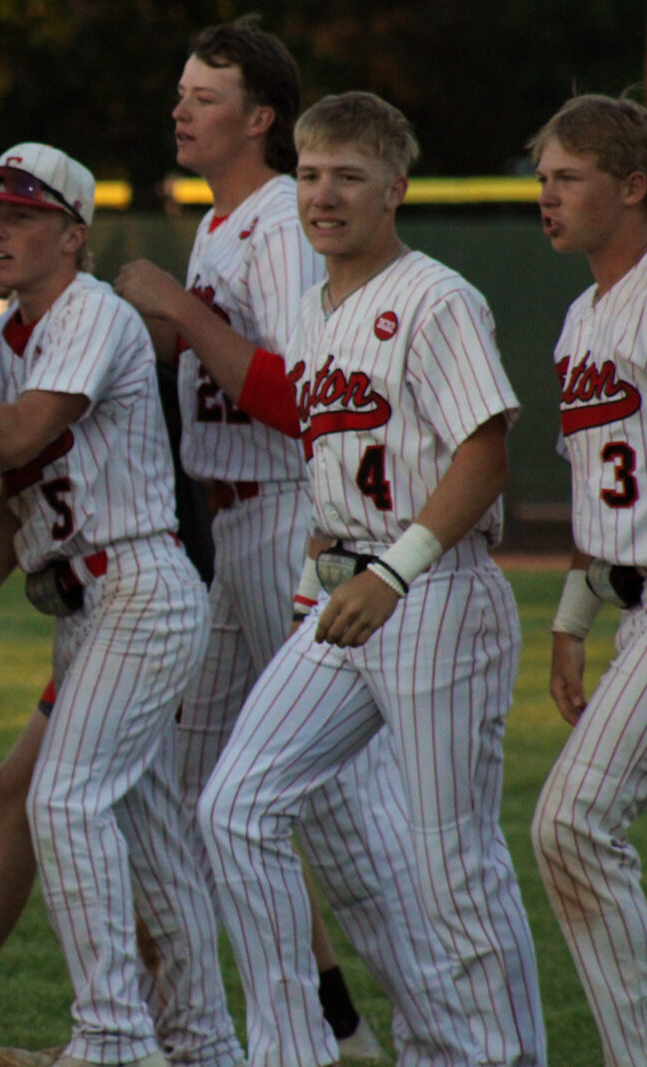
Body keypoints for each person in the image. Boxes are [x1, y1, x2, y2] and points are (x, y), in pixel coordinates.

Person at [114, 19, 466, 1063]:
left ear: (258, 118)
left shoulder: (274, 217)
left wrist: (178, 311)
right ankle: (201, 1034)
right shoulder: (222, 220)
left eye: (205, 95)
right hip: (230, 531)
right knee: (176, 791)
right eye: (180, 91)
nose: (181, 108)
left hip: (285, 515)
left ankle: (433, 1030)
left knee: (340, 816)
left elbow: (298, 399)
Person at [0, 141, 241, 1067]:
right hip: (90, 605)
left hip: (139, 588)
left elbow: (22, 429)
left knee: (62, 804)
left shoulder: (91, 313)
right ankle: (201, 1043)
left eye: (19, 217)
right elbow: (20, 475)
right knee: (146, 833)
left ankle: (113, 1037)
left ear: (74, 235)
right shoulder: (2, 342)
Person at [197, 92, 544, 1067]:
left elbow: (482, 458)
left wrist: (392, 571)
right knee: (237, 805)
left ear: (394, 188)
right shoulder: (311, 310)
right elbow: (331, 470)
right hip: (345, 590)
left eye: (347, 175)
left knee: (452, 860)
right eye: (308, 174)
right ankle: (290, 1050)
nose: (323, 193)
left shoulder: (436, 296)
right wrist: (324, 579)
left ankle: (497, 1056)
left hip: (430, 587)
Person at [529, 93, 647, 1067]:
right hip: (626, 608)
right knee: (577, 824)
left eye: (569, 176)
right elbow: (599, 481)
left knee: (571, 821)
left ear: (633, 184)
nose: (547, 195)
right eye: (541, 178)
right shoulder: (580, 314)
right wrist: (571, 618)